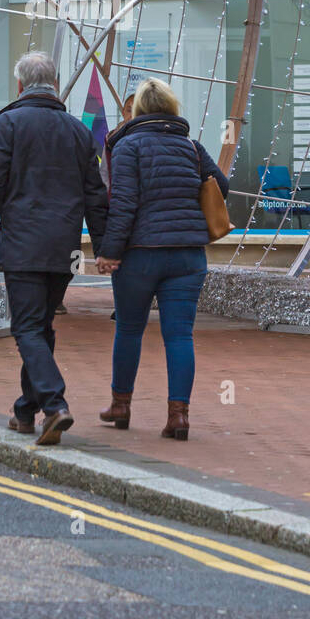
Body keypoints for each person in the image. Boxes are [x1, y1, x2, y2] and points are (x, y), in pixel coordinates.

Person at [0, 51, 108, 446]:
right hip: (64, 249)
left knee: (26, 327)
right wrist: (105, 247)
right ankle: (25, 412)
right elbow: (96, 195)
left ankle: (54, 404)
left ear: (21, 86)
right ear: (55, 85)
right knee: (40, 327)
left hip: (24, 245)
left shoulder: (7, 125)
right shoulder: (78, 131)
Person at [95, 78, 229, 441]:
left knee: (128, 327)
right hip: (188, 254)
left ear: (138, 110)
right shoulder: (191, 146)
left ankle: (121, 405)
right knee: (180, 335)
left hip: (141, 254)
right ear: (172, 108)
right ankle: (179, 416)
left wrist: (109, 252)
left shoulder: (127, 145)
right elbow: (222, 186)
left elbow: (124, 204)